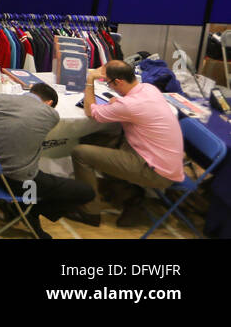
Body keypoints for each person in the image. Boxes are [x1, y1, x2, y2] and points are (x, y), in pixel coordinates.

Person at [72, 59, 186, 228]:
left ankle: (90, 212)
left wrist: (90, 80)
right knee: (95, 140)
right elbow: (133, 108)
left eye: (109, 83)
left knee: (80, 153)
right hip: (159, 159)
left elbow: (91, 111)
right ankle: (128, 194)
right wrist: (117, 104)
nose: (109, 87)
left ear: (118, 81)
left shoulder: (129, 105)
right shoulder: (149, 88)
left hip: (155, 170)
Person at [0, 82, 94, 237]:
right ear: (49, 103)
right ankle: (31, 210)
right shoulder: (51, 114)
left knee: (38, 172)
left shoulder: (0, 100)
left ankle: (25, 209)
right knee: (87, 192)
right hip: (19, 182)